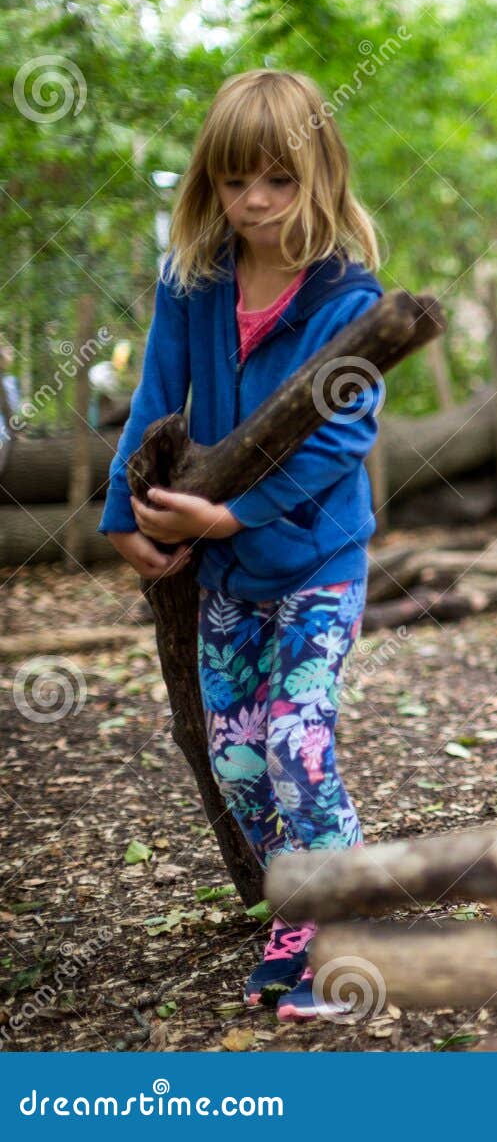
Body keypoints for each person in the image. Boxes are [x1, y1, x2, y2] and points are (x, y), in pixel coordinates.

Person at [97, 69, 384, 1022]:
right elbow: (155, 402)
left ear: (319, 174)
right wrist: (119, 514)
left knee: (299, 747)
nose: (254, 204)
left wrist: (232, 516)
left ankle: (335, 929)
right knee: (238, 764)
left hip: (316, 563)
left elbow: (345, 438)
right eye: (233, 183)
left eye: (276, 180)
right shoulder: (195, 281)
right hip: (229, 580)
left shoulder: (348, 298)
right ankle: (304, 899)